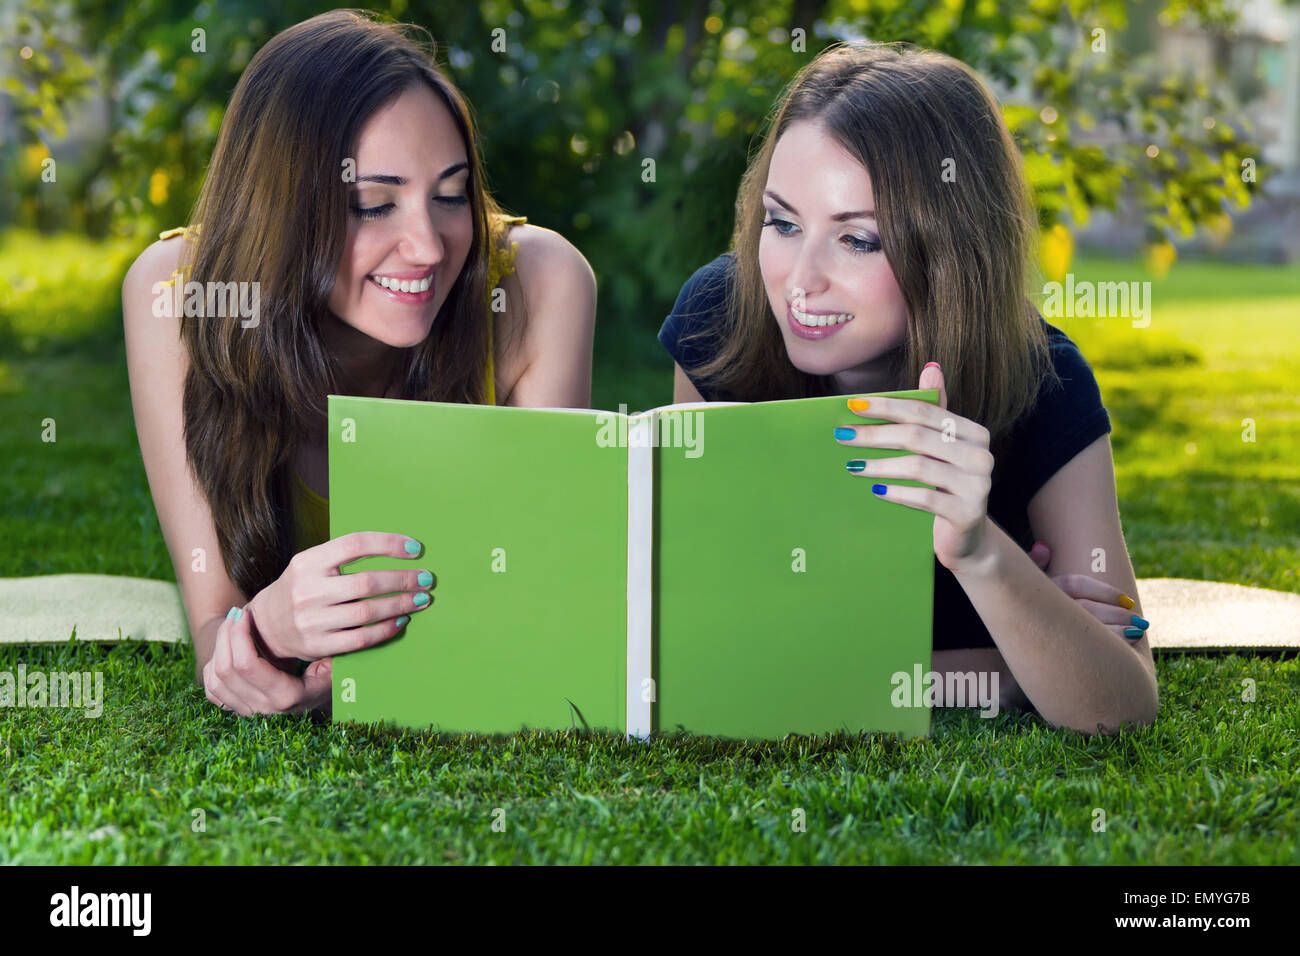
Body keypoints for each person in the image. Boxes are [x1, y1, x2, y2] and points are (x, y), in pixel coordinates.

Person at [658, 42, 1157, 736]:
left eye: (857, 240)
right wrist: (1005, 671)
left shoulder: (1046, 380)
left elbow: (1122, 703)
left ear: (951, 250)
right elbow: (709, 648)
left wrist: (981, 552)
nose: (800, 280)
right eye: (783, 223)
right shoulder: (720, 317)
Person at [122, 10, 596, 717]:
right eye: (373, 204)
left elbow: (541, 593)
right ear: (279, 209)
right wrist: (263, 637)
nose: (430, 248)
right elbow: (214, 625)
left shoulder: (539, 282)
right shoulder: (179, 298)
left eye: (450, 195)